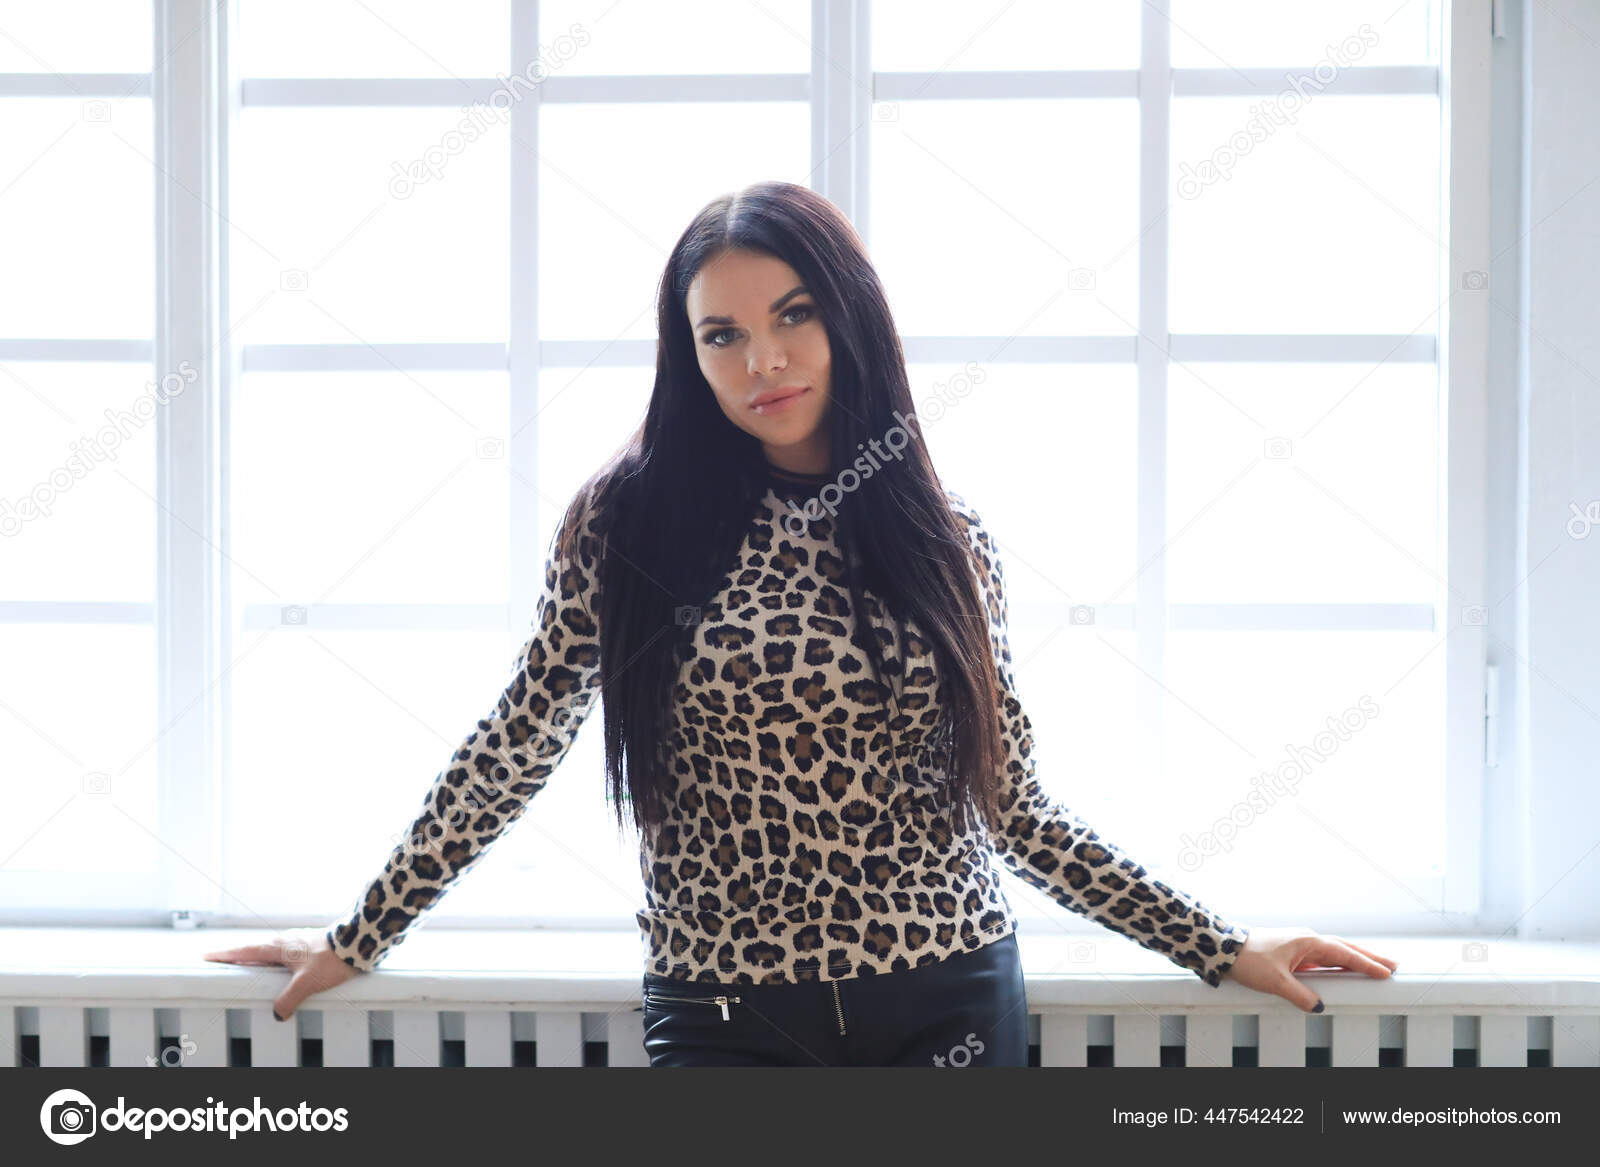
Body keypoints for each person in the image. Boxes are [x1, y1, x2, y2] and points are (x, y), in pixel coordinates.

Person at [205, 181, 1397, 1066]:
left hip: (947, 995)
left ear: (850, 323)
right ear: (687, 353)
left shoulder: (941, 533)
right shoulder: (625, 527)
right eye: (720, 335)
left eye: (792, 318)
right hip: (726, 1012)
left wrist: (1219, 945)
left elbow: (1012, 805)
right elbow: (517, 742)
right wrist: (362, 931)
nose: (761, 360)